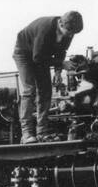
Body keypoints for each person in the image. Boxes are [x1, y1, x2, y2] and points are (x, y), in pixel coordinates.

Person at [13, 11, 83, 143]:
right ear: (60, 24)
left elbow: (61, 51)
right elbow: (37, 57)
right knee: (30, 89)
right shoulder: (45, 29)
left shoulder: (69, 31)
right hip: (24, 53)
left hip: (42, 56)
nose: (71, 35)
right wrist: (61, 64)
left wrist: (57, 72)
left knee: (46, 91)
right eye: (69, 32)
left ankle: (42, 132)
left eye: (73, 33)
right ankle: (26, 133)